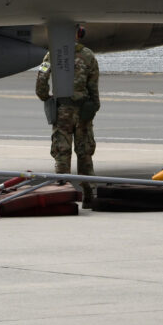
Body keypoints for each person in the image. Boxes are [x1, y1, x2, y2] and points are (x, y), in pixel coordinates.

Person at [35, 25, 100, 200]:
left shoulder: (53, 54)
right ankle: (89, 195)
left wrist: (45, 97)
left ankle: (62, 193)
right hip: (83, 111)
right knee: (84, 152)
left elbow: (41, 78)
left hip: (63, 110)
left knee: (62, 151)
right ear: (79, 34)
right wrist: (93, 106)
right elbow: (93, 85)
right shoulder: (88, 55)